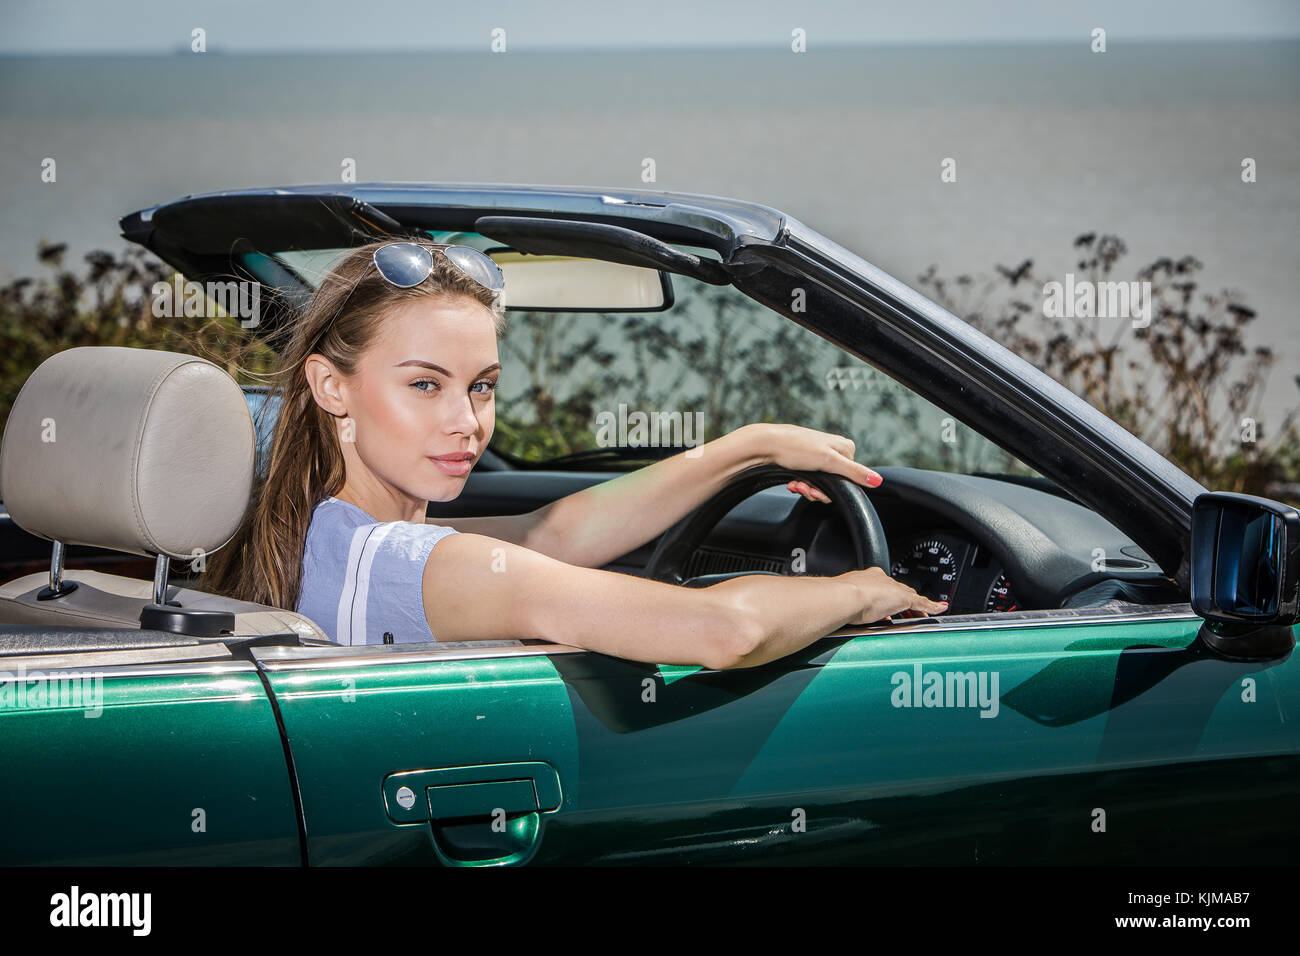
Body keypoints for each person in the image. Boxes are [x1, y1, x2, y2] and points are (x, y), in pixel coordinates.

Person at [202, 238, 945, 668]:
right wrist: (864, 591)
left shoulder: (311, 531)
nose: (467, 422)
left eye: (482, 386)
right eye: (425, 385)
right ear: (332, 387)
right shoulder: (419, 565)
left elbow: (549, 536)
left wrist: (746, 450)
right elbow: (727, 631)